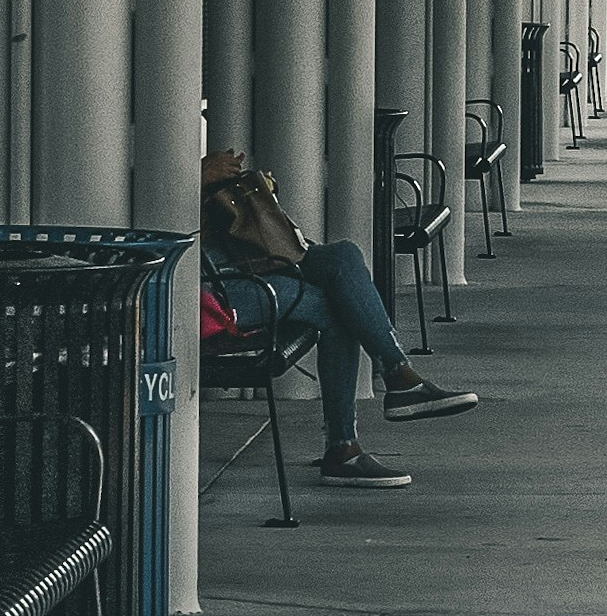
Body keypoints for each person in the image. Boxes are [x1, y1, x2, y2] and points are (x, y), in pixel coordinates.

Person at [201, 145, 476, 491]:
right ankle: (364, 420)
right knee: (335, 306)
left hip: (236, 267)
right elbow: (160, 225)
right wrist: (201, 176)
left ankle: (393, 382)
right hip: (210, 292)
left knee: (344, 255)